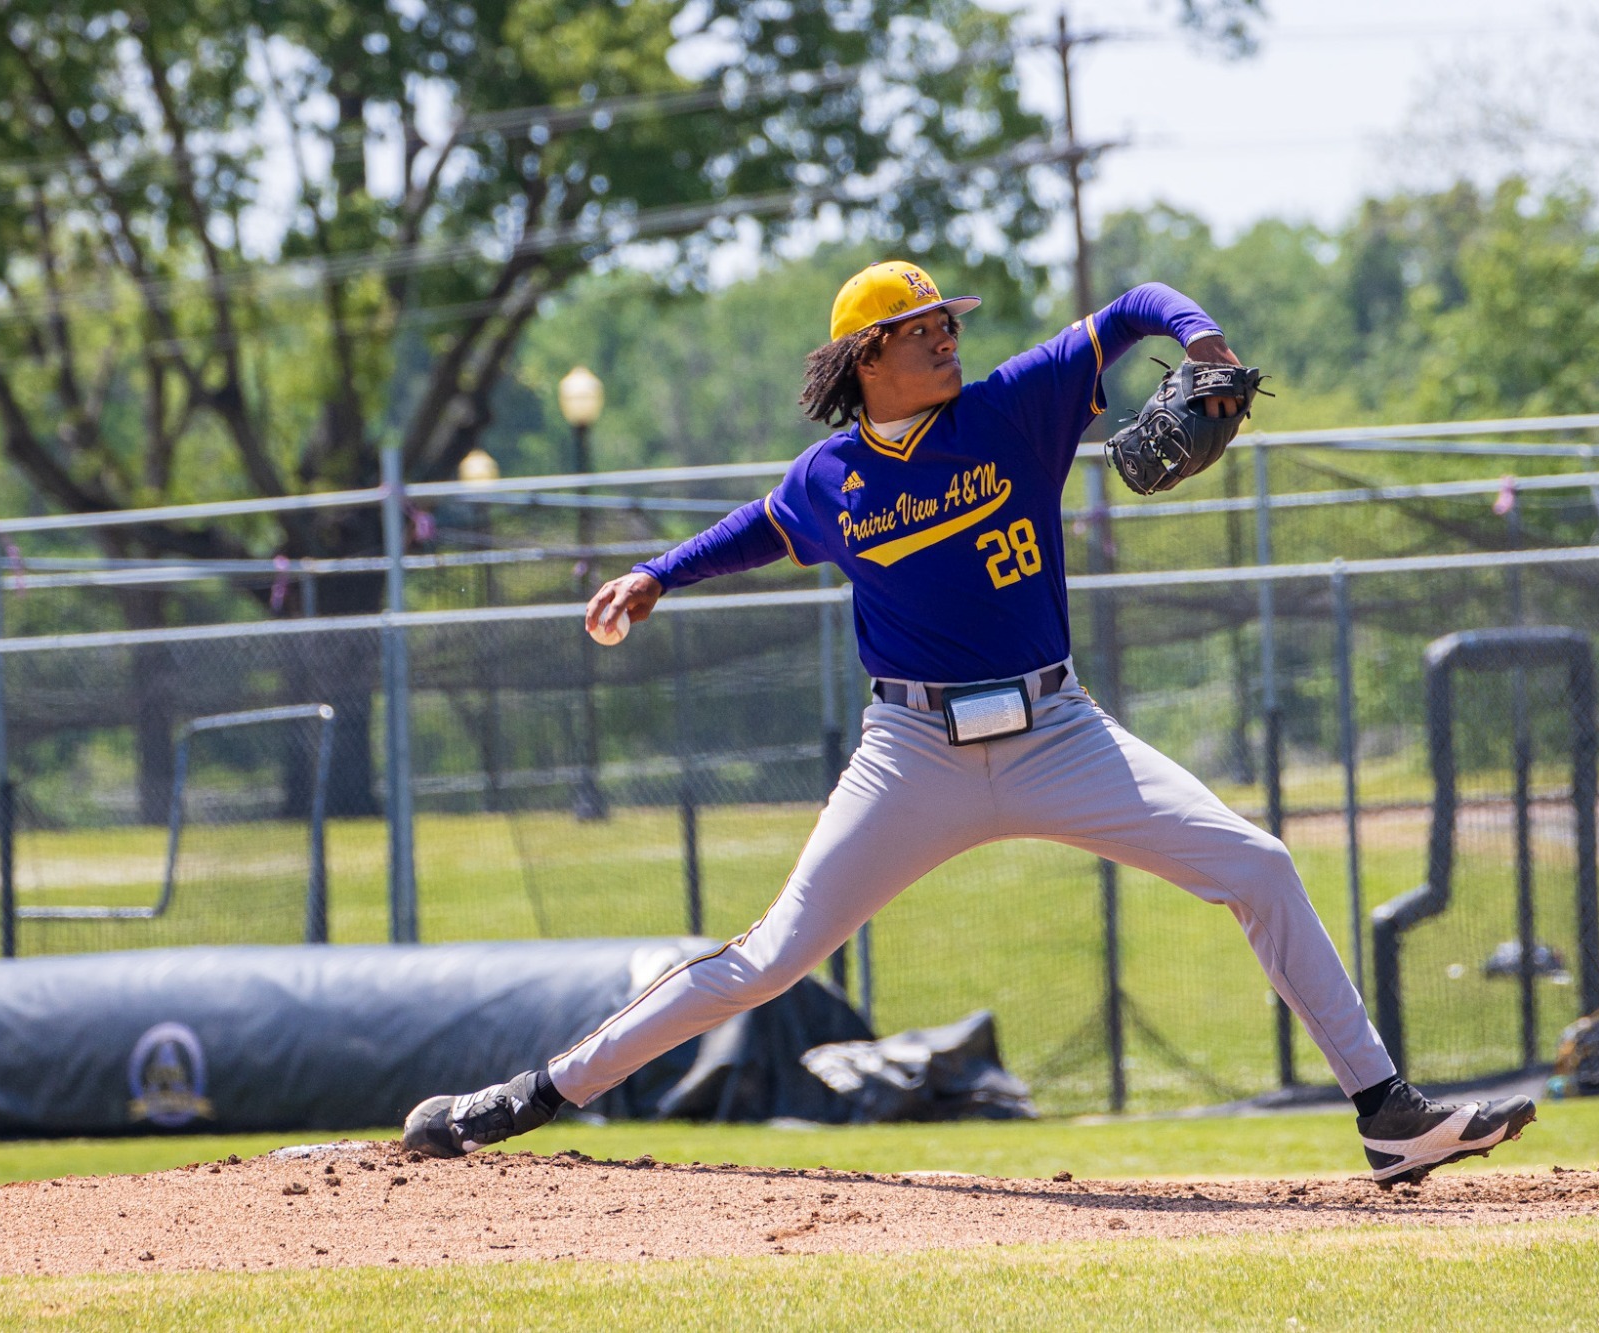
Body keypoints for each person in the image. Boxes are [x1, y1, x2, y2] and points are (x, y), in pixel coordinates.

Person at [404, 260, 1536, 1185]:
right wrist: (656, 574)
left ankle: (1385, 1113)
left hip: (1059, 732)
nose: (945, 334)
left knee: (1257, 864)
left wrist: (1204, 353)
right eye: (919, 326)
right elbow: (758, 524)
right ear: (866, 359)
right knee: (764, 959)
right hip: (910, 755)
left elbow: (1139, 302)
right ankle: (533, 1094)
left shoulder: (1015, 405)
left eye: (946, 317)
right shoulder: (831, 476)